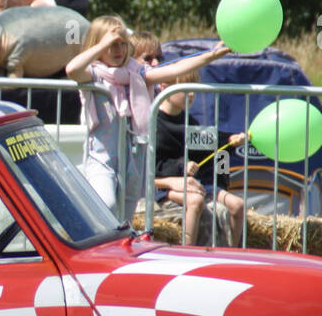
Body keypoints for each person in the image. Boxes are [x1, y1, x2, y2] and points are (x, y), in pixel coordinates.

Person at [66, 18, 230, 222]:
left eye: (122, 44)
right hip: (102, 160)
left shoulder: (137, 74)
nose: (118, 50)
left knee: (124, 220)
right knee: (106, 204)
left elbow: (175, 70)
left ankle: (117, 252)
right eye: (112, 45)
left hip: (132, 161)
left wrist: (211, 55)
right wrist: (101, 45)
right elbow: (72, 69)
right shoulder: (92, 75)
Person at [152, 84, 246, 245]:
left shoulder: (190, 122)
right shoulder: (153, 122)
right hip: (162, 186)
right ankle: (187, 252)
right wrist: (182, 167)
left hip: (195, 183)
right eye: (186, 89)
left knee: (238, 205)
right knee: (195, 201)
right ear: (165, 88)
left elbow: (211, 145)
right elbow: (154, 166)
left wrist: (230, 141)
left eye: (194, 89)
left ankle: (231, 255)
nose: (192, 94)